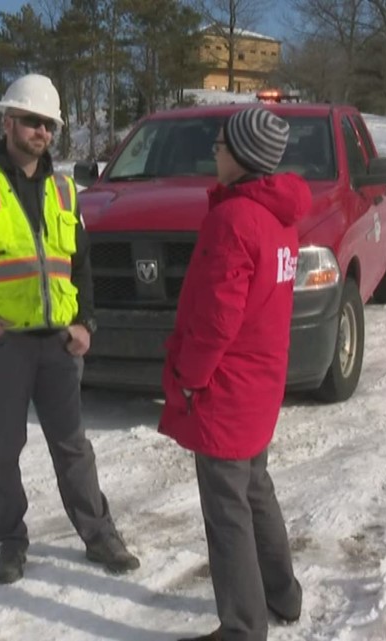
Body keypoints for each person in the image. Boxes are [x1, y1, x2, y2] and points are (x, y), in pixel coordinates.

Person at [0, 73, 139, 584]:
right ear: (8, 123)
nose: (41, 132)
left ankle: (98, 535)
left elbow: (82, 264)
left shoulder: (65, 189)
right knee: (4, 448)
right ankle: (11, 541)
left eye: (48, 124)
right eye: (31, 122)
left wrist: (85, 323)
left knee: (72, 446)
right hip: (5, 348)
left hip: (59, 345)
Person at [159, 107, 311, 641]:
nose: (214, 151)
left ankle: (243, 628)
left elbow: (216, 317)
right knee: (254, 490)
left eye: (221, 144)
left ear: (243, 156)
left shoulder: (234, 220)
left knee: (227, 511)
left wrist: (189, 378)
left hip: (226, 387)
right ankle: (283, 595)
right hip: (261, 382)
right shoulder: (280, 218)